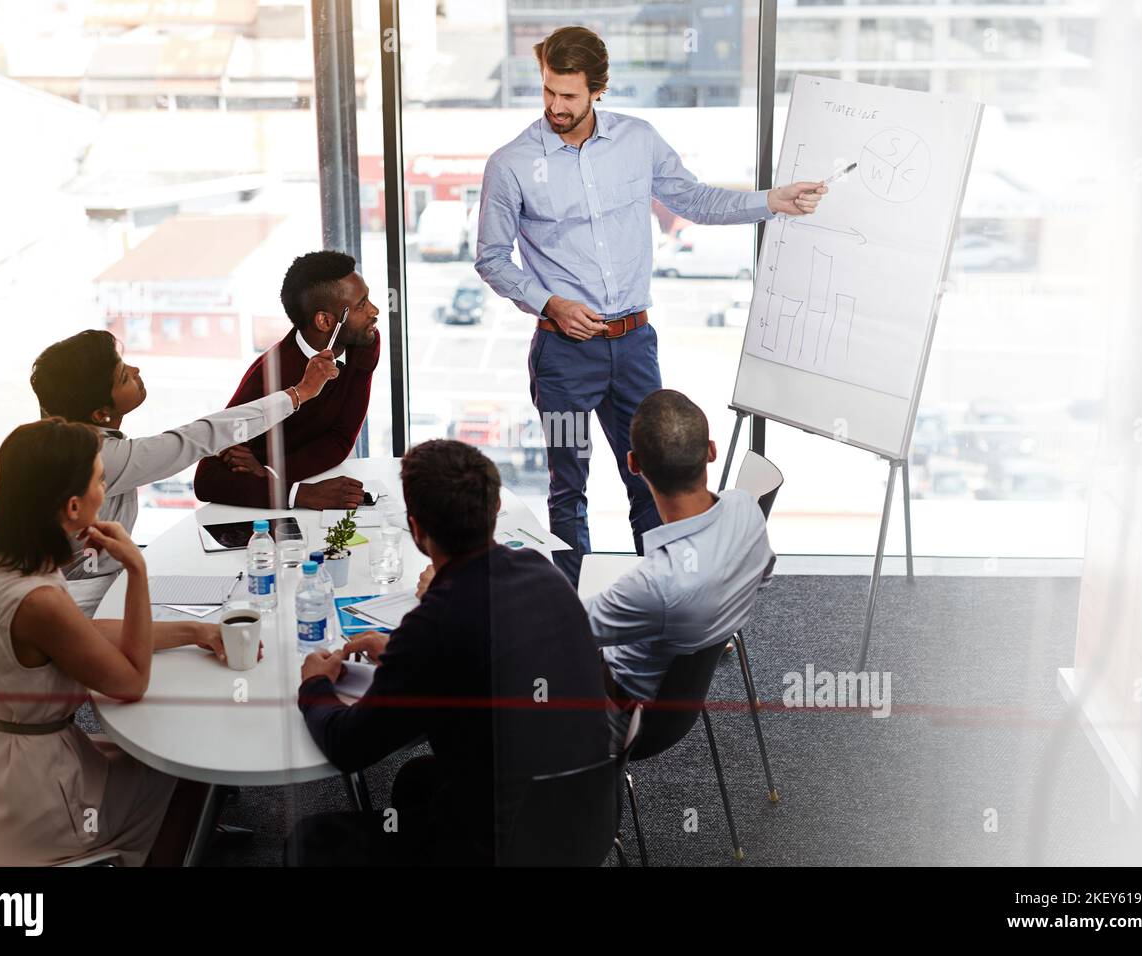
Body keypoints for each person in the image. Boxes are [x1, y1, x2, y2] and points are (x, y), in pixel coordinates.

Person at [475, 25, 826, 585]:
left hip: (635, 348)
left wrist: (772, 202)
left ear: (597, 90)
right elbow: (491, 258)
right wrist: (549, 305)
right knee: (568, 485)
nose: (555, 106)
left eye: (568, 95)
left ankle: (665, 598)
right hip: (565, 355)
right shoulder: (512, 163)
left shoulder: (637, 142)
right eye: (547, 92)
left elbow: (695, 200)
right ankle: (568, 615)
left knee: (652, 478)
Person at [0, 418, 248, 866]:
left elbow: (78, 637)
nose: (108, 489)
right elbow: (132, 682)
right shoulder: (41, 600)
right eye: (102, 480)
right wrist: (136, 570)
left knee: (148, 757)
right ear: (75, 506)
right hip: (26, 805)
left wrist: (196, 631)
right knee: (187, 769)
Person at [289, 440, 611, 866]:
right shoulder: (541, 571)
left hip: (505, 850)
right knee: (416, 780)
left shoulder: (434, 624)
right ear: (495, 507)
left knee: (308, 842)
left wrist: (313, 682)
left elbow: (348, 747)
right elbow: (484, 655)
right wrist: (401, 658)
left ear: (416, 529)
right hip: (589, 818)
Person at [30, 329, 336, 615]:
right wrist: (300, 393)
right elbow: (197, 438)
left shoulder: (78, 443)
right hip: (86, 606)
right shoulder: (94, 457)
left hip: (110, 585)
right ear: (100, 414)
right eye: (124, 376)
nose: (136, 373)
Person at [584, 390, 776, 723]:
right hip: (677, 708)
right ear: (711, 451)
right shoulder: (747, 511)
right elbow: (764, 574)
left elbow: (563, 629)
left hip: (621, 715)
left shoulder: (653, 584)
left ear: (633, 464)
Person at [193, 250, 381, 510]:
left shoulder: (364, 342)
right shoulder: (269, 376)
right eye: (361, 305)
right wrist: (300, 495)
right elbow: (206, 479)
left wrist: (270, 473)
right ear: (325, 321)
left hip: (288, 480)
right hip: (258, 514)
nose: (374, 311)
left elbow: (341, 437)